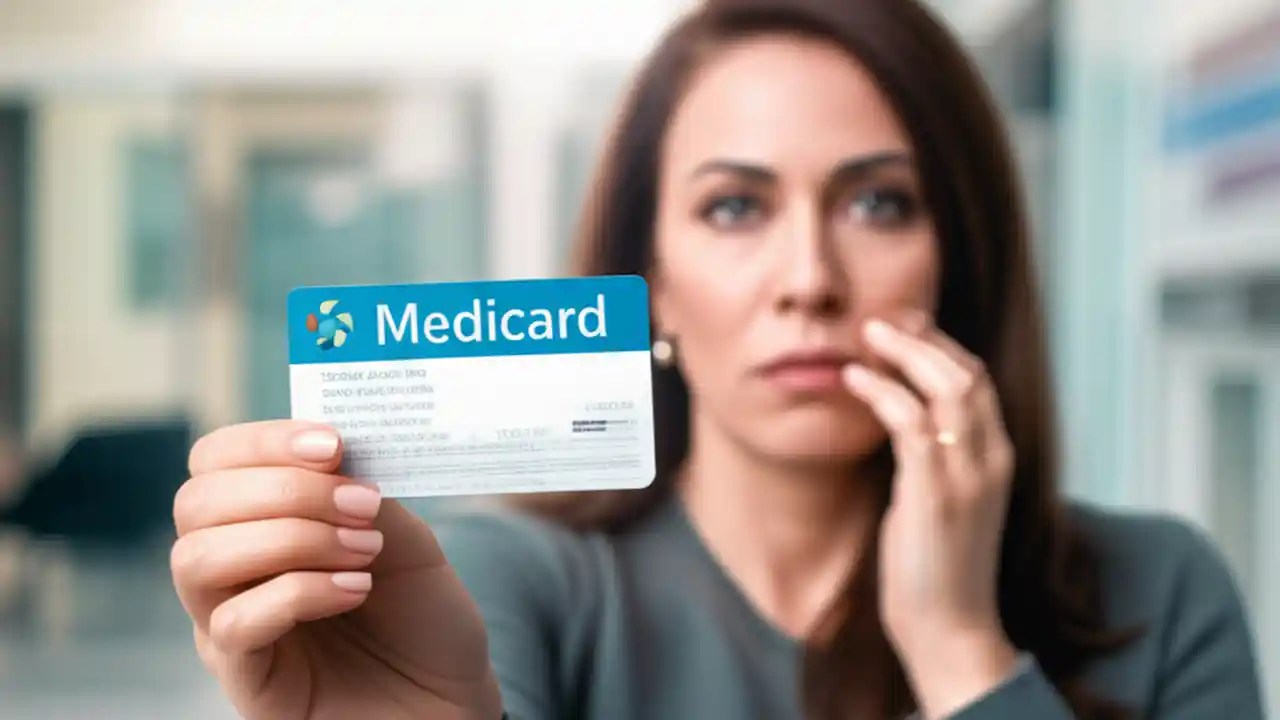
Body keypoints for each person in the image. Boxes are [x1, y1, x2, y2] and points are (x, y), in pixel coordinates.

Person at [169, 0, 1266, 718]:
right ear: (649, 281)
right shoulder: (507, 588)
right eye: (735, 206)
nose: (807, 278)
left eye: (877, 202)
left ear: (959, 253)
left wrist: (956, 645)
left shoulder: (1160, 593)